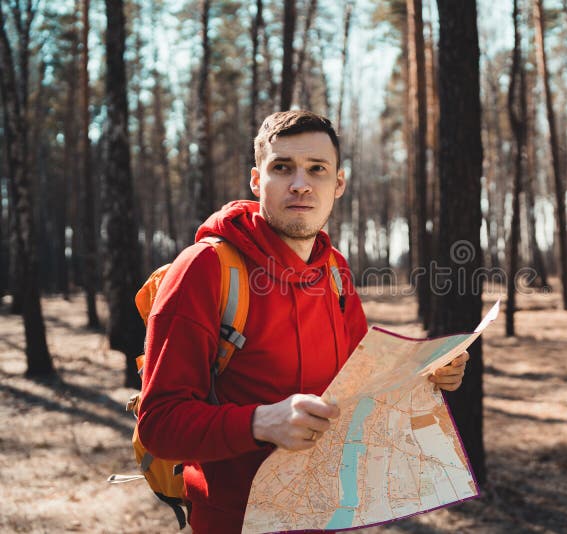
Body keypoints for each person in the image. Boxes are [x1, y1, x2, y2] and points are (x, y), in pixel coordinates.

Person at [137, 110, 469, 533]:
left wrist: (423, 377)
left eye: (317, 169)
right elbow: (160, 424)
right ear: (257, 181)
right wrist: (260, 422)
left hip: (329, 514)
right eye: (282, 168)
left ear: (339, 183)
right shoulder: (205, 268)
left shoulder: (334, 270)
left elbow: (355, 383)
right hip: (234, 521)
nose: (300, 183)